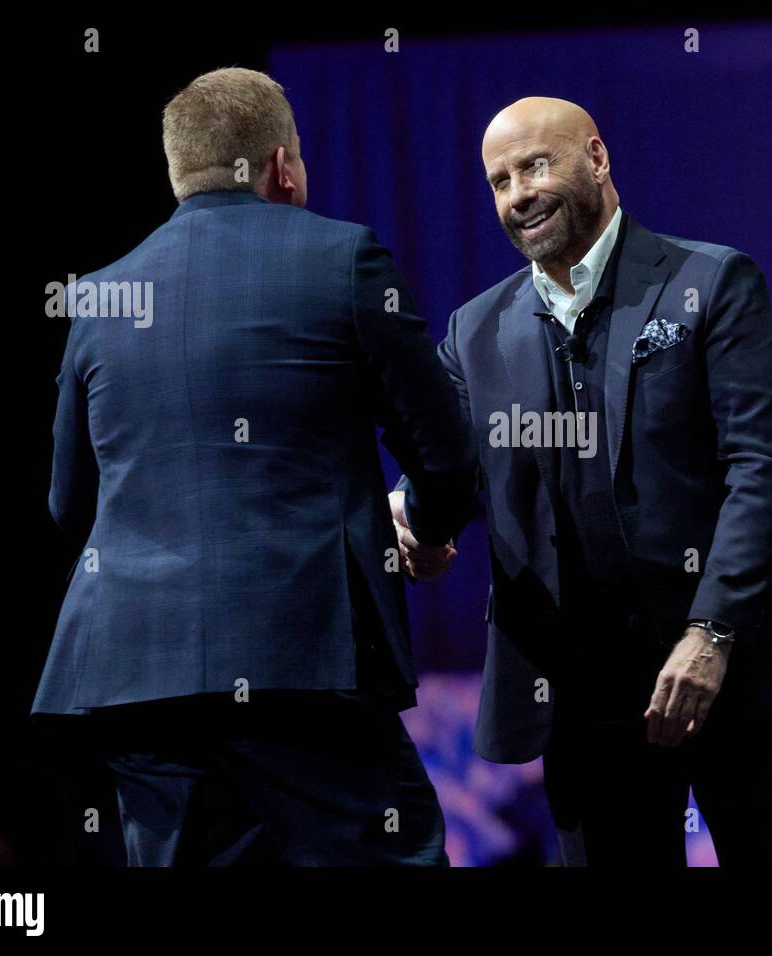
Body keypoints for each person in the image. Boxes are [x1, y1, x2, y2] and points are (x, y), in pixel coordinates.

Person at [392, 97, 772, 866]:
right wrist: (414, 515)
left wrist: (710, 633)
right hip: (585, 696)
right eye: (499, 181)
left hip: (738, 663)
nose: (518, 195)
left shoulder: (712, 282)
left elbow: (764, 470)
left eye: (535, 165)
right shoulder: (475, 330)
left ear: (597, 158)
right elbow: (446, 470)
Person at [33, 68, 477, 866]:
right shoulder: (344, 259)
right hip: (305, 662)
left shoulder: (98, 296)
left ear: (179, 172)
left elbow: (70, 505)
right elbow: (444, 454)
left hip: (137, 675)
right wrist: (425, 526)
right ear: (282, 165)